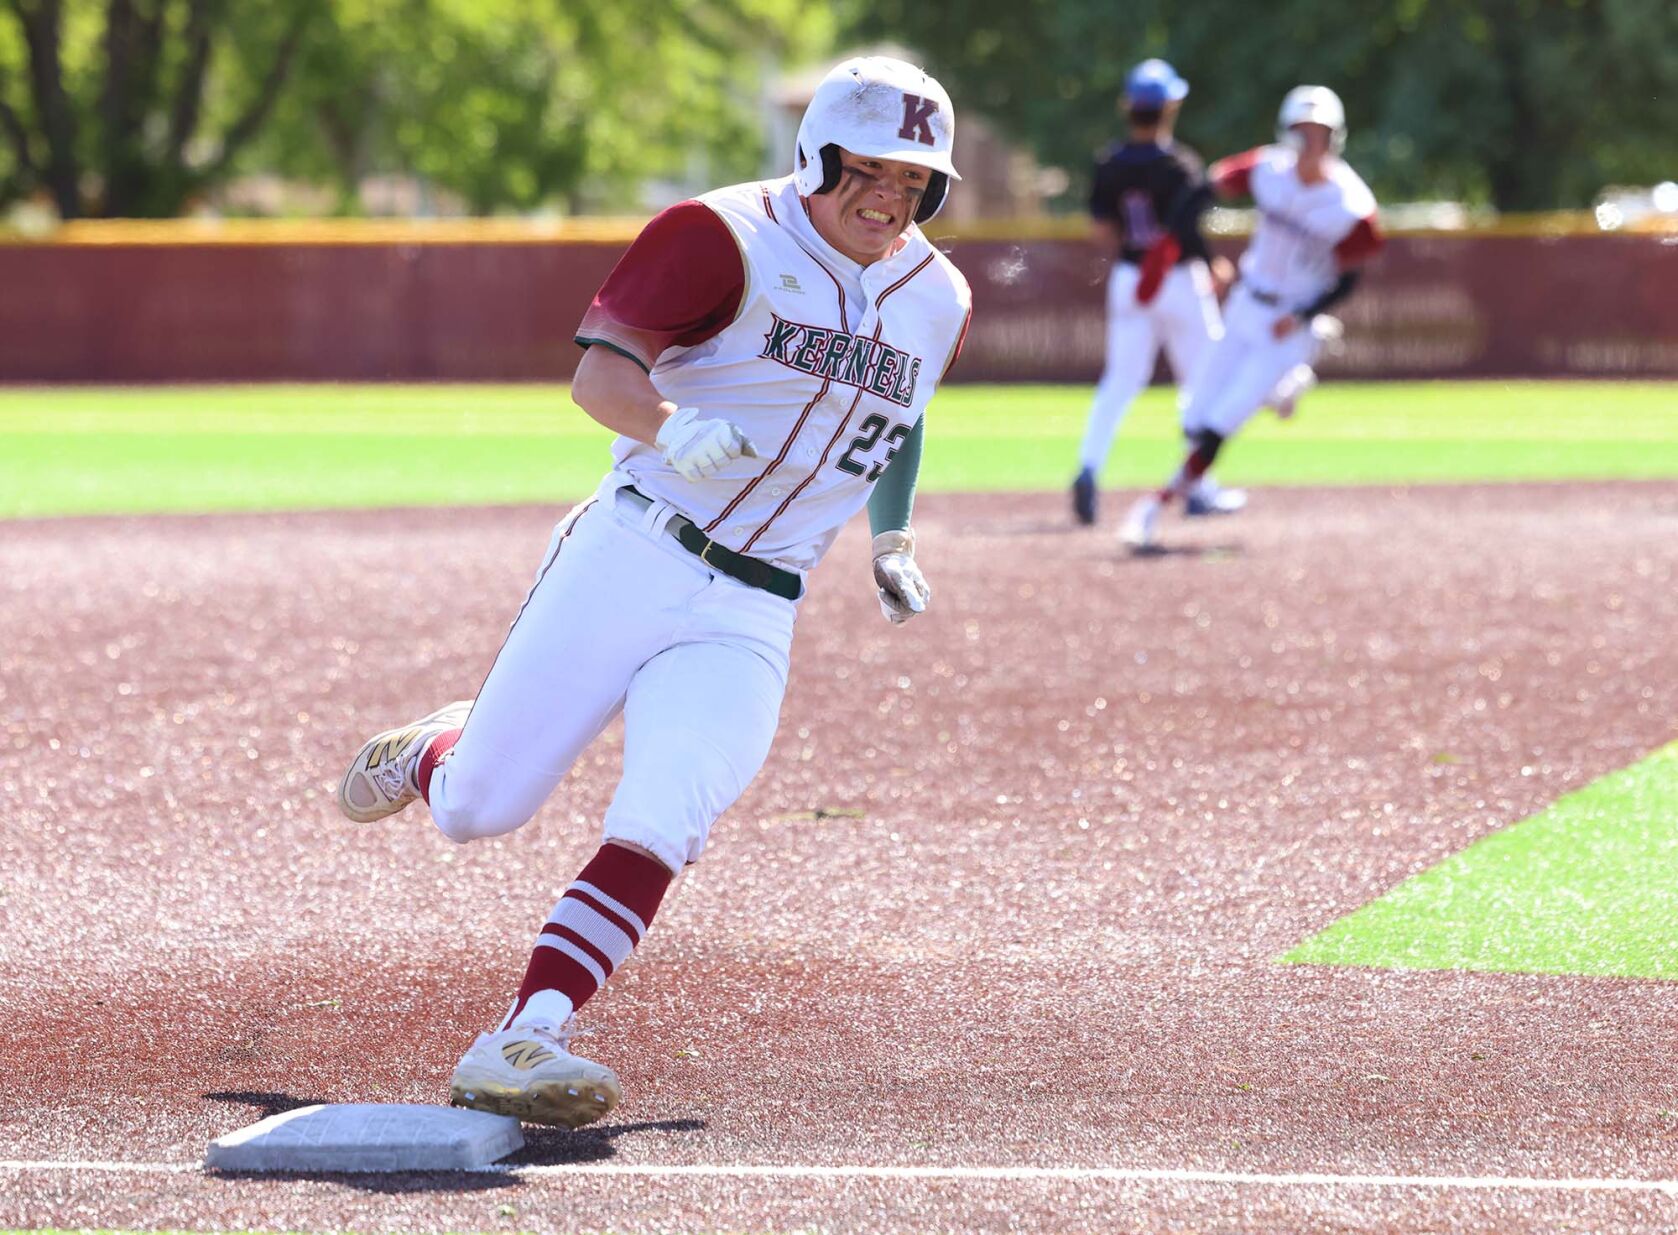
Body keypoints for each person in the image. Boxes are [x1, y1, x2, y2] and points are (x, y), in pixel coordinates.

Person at [332, 55, 972, 1128]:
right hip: (636, 550)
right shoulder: (721, 234)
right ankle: (436, 749)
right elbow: (599, 373)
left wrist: (892, 533)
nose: (887, 199)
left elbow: (897, 418)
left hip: (757, 602)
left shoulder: (936, 295)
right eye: (866, 170)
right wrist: (674, 425)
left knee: (667, 810)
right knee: (478, 811)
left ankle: (527, 1032)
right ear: (814, 153)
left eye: (912, 182)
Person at [1120, 85, 1383, 551]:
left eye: (1318, 133)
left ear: (1335, 138)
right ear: (1286, 132)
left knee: (1221, 422)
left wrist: (1305, 312)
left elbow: (1349, 278)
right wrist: (1174, 240)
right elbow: (1202, 189)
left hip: (1287, 323)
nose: (1309, 143)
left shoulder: (1350, 205)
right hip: (1245, 304)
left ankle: (1154, 507)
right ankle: (1281, 390)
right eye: (1301, 132)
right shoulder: (1268, 169)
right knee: (1195, 415)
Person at [1071, 58, 1246, 528]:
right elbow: (1187, 230)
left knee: (1119, 382)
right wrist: (1213, 264)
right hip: (1179, 278)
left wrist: (1135, 246)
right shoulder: (1180, 164)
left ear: (1129, 106)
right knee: (1203, 381)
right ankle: (1198, 487)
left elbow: (1100, 228)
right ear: (1169, 106)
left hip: (1131, 276)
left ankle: (1088, 468)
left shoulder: (1109, 162)